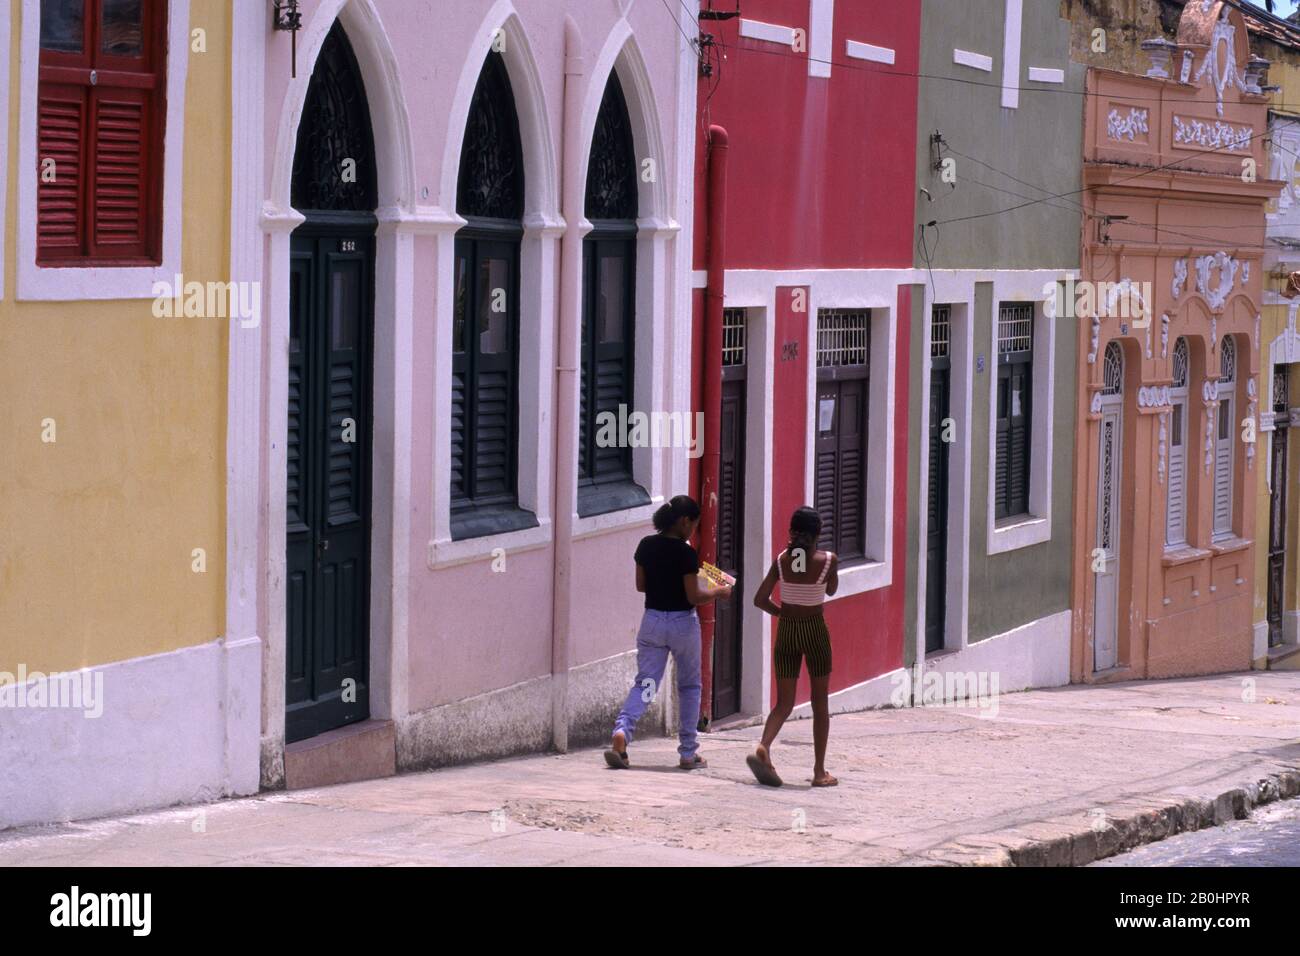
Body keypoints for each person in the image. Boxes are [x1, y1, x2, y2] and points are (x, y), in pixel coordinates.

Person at [605, 495, 732, 771]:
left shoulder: (645, 546)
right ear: (685, 522)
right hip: (682, 624)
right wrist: (719, 591)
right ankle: (688, 752)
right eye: (694, 525)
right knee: (689, 686)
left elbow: (641, 585)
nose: (693, 531)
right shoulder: (685, 553)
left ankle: (622, 731)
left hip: (652, 621)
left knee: (646, 684)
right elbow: (694, 595)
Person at [748, 506, 839, 788]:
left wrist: (781, 613)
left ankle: (764, 746)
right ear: (818, 534)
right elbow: (831, 590)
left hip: (787, 630)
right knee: (819, 702)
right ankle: (819, 771)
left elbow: (760, 599)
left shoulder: (780, 561)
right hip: (814, 630)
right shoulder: (828, 560)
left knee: (784, 703)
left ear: (791, 531)